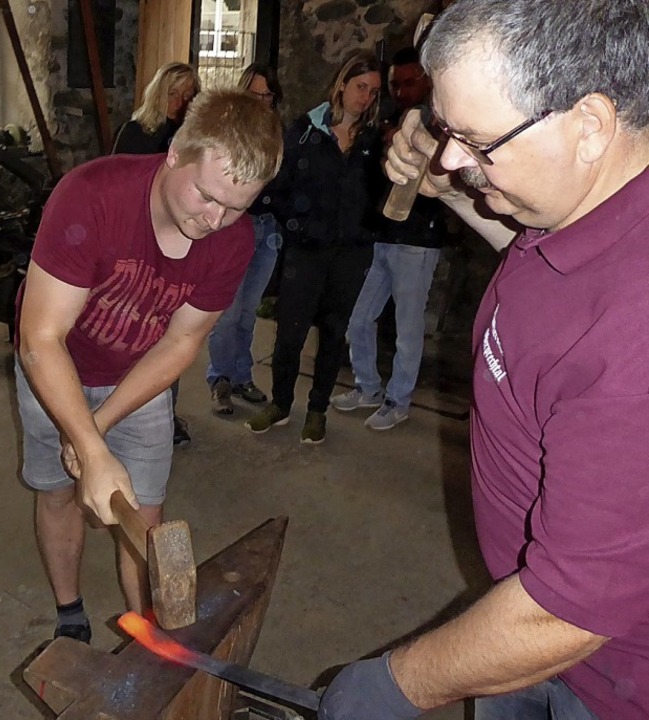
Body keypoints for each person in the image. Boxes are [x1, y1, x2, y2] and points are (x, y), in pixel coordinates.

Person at [318, 1, 649, 718]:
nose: (449, 158)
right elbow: (538, 265)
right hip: (522, 626)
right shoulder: (589, 203)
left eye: (473, 140)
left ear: (589, 125)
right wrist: (449, 184)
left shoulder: (637, 337)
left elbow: (564, 615)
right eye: (445, 131)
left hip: (602, 676)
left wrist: (396, 683)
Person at [16, 89, 282, 643]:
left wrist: (101, 427)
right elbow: (41, 339)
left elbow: (181, 344)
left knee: (145, 517)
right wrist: (88, 449)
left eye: (236, 205)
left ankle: (150, 637)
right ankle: (70, 614)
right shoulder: (92, 195)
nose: (215, 219)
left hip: (137, 377)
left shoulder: (233, 238)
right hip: (54, 366)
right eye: (207, 196)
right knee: (58, 493)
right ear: (174, 155)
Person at [245, 52, 385, 444]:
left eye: (373, 92)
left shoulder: (373, 141)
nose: (365, 98)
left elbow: (380, 196)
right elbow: (277, 184)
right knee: (289, 332)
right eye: (360, 87)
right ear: (341, 84)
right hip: (306, 251)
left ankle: (318, 409)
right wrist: (296, 226)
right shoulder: (305, 130)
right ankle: (280, 403)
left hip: (351, 253)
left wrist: (367, 229)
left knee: (332, 332)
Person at [331, 47, 445, 430]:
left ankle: (398, 399)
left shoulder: (439, 119)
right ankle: (368, 387)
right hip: (383, 235)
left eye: (409, 83)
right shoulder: (389, 119)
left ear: (426, 80)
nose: (400, 91)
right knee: (359, 318)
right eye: (394, 84)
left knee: (407, 327)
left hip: (417, 240)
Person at [113, 61, 202, 446]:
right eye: (174, 94)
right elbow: (118, 191)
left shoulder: (193, 141)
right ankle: (120, 411)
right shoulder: (135, 133)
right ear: (158, 93)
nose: (180, 103)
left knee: (170, 334)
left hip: (176, 249)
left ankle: (164, 416)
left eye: (188, 95)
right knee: (130, 332)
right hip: (136, 246)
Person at [207, 64, 285, 415]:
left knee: (248, 313)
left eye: (267, 95)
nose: (262, 101)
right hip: (236, 226)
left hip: (268, 229)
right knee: (226, 312)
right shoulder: (229, 132)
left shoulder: (279, 131)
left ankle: (241, 376)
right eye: (255, 95)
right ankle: (219, 378)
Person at [112, 62, 200, 155]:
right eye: (172, 94)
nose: (180, 103)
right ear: (157, 96)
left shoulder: (195, 137)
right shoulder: (133, 132)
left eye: (187, 96)